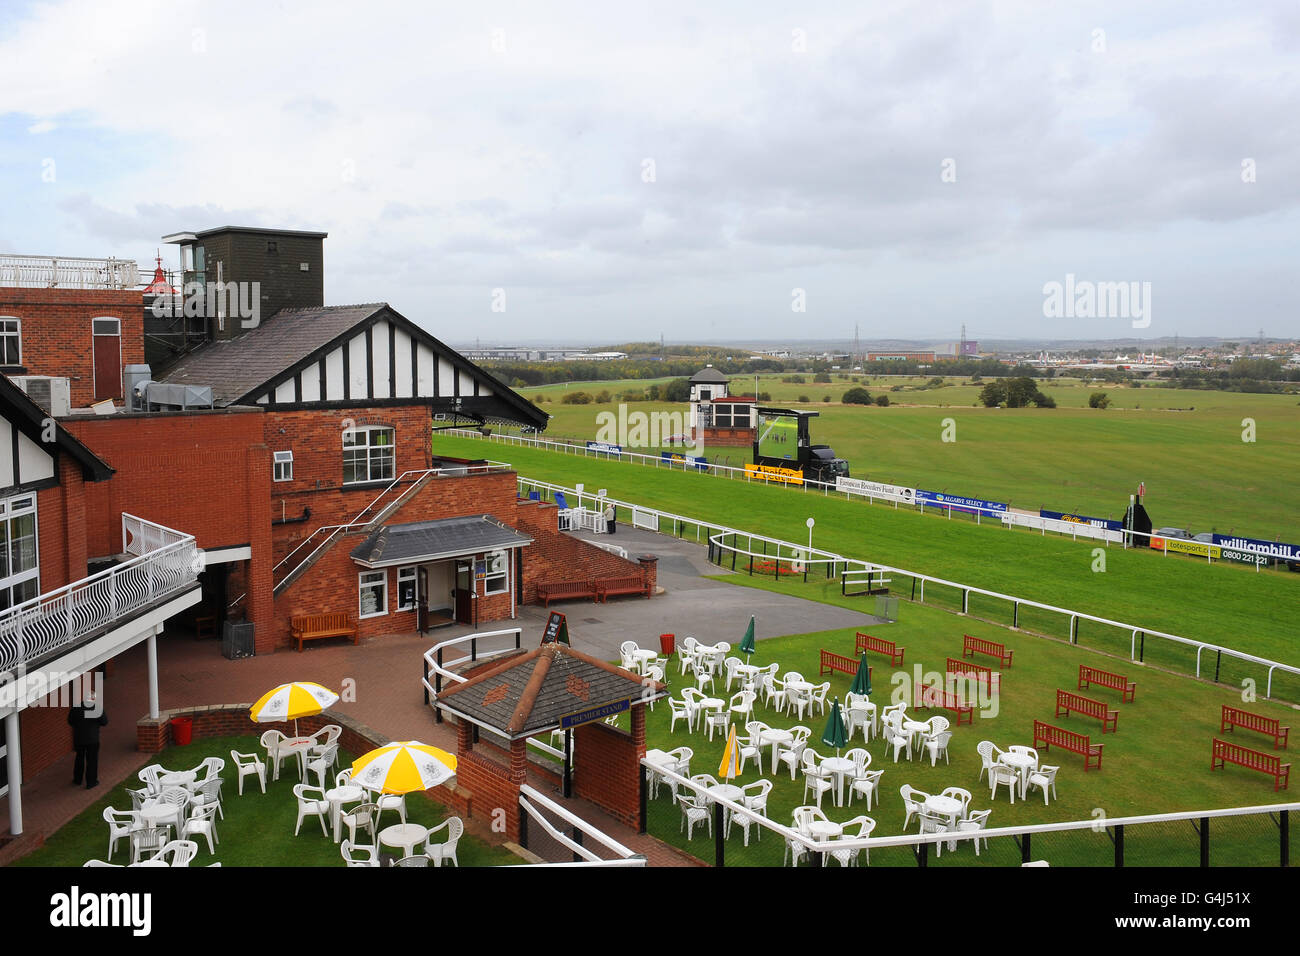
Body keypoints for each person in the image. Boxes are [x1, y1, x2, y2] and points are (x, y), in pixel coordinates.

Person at [69, 691, 108, 789]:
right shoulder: (96, 708)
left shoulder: (76, 708)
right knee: (92, 760)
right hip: (92, 739)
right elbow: (104, 722)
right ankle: (91, 782)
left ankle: (77, 779)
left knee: (79, 758)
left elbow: (70, 720)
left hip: (79, 738)